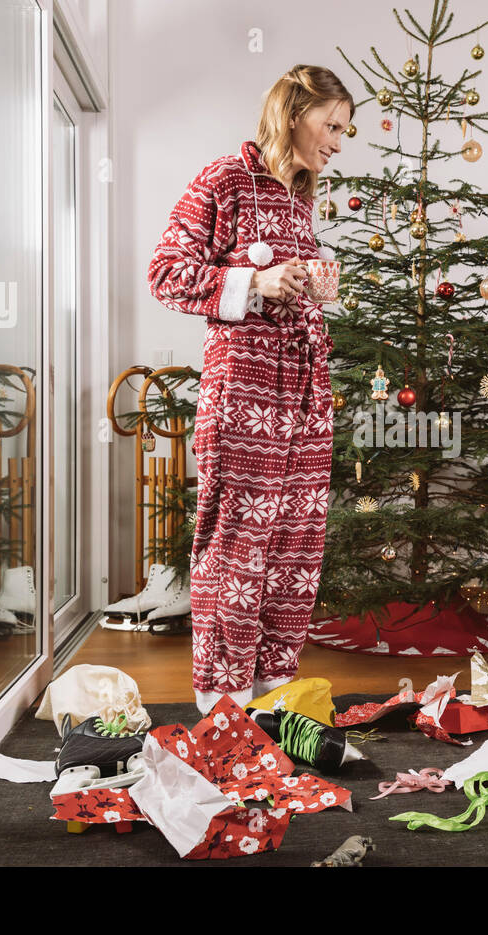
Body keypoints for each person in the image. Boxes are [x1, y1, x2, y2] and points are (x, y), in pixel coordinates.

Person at [147, 65, 353, 713]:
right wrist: (251, 283)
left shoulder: (300, 195)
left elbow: (290, 289)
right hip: (244, 397)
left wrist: (318, 289)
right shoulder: (224, 179)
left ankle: (272, 693)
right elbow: (164, 274)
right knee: (236, 544)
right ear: (294, 113)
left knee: (295, 545)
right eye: (332, 125)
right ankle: (224, 699)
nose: (340, 142)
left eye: (346, 130)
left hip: (305, 398)